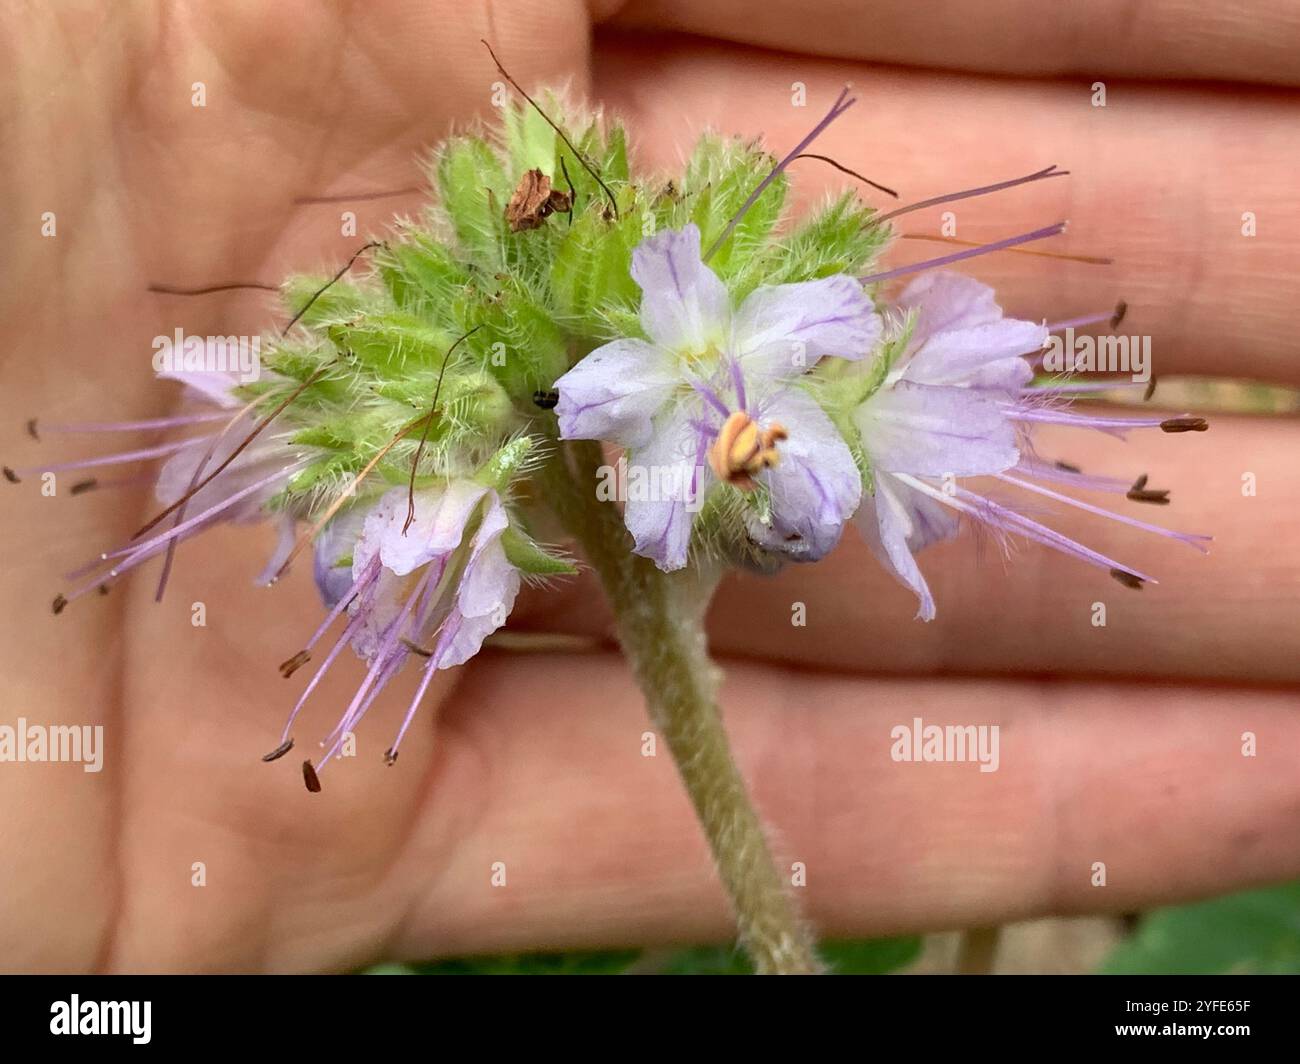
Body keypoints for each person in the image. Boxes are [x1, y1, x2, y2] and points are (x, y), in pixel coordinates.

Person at [2, 0, 1297, 972]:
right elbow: (658, 448)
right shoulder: (634, 396)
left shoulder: (707, 378)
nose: (740, 425)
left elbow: (721, 459)